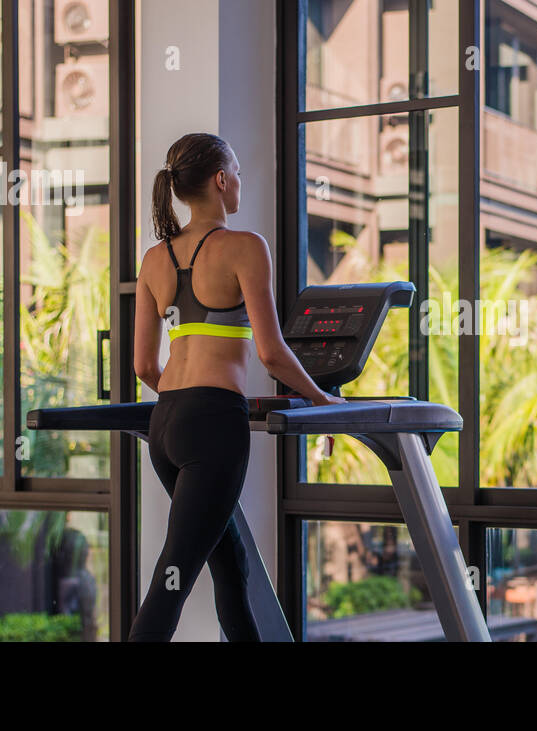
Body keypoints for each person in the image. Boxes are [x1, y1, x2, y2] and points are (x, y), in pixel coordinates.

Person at [129, 132, 342, 641]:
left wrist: (186, 402)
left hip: (166, 425)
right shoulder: (245, 248)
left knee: (232, 566)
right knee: (172, 580)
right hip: (213, 426)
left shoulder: (155, 259)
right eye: (238, 173)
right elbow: (271, 352)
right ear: (221, 180)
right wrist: (324, 400)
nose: (240, 182)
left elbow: (142, 366)